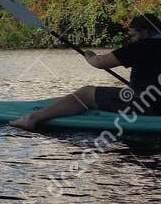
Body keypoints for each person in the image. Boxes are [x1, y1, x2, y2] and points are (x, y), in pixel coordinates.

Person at [9, 14, 161, 129]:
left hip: (150, 106)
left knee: (85, 93)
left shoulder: (143, 45)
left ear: (144, 32)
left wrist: (89, 55)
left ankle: (32, 119)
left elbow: (99, 63)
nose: (132, 40)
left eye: (133, 35)